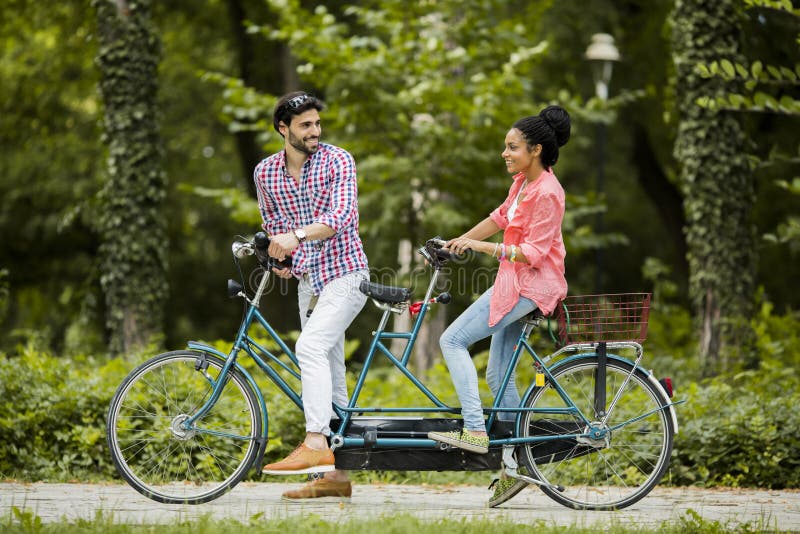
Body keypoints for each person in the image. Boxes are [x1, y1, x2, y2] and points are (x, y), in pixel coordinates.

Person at [427, 105, 571, 507]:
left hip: (531, 285)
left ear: (536, 149)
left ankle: (474, 431)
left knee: (452, 341)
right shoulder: (524, 183)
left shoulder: (548, 192)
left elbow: (533, 252)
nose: (505, 154)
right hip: (515, 282)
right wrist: (456, 242)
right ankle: (516, 465)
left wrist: (480, 246)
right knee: (497, 372)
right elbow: (499, 218)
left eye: (512, 148)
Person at [254, 91, 369, 501]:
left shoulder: (338, 160)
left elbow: (340, 218)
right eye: (305, 125)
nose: (315, 131)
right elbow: (273, 225)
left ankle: (315, 442)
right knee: (330, 373)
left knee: (309, 347)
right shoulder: (265, 173)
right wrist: (281, 256)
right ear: (283, 128)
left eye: (317, 123)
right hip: (309, 282)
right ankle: (335, 478)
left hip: (346, 274)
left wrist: (295, 236)